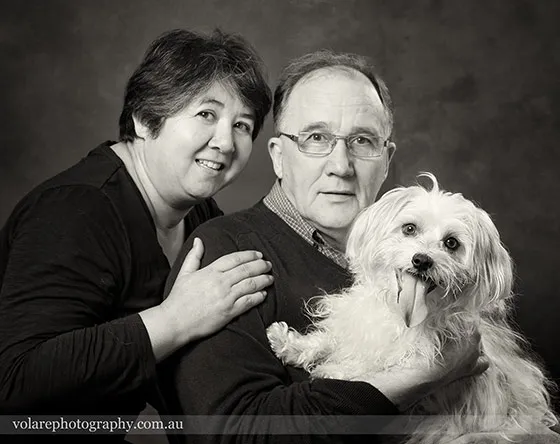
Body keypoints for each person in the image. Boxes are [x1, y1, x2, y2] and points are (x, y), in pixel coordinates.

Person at [161, 50, 486, 443]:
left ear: (386, 160)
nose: (341, 165)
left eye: (362, 141)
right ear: (279, 157)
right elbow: (233, 433)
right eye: (316, 138)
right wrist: (425, 374)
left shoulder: (435, 275)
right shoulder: (225, 253)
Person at [0, 28, 274, 440]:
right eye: (206, 114)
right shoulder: (76, 209)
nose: (226, 142)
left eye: (242, 124)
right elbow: (15, 384)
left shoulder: (199, 213)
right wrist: (175, 319)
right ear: (146, 120)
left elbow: (189, 374)